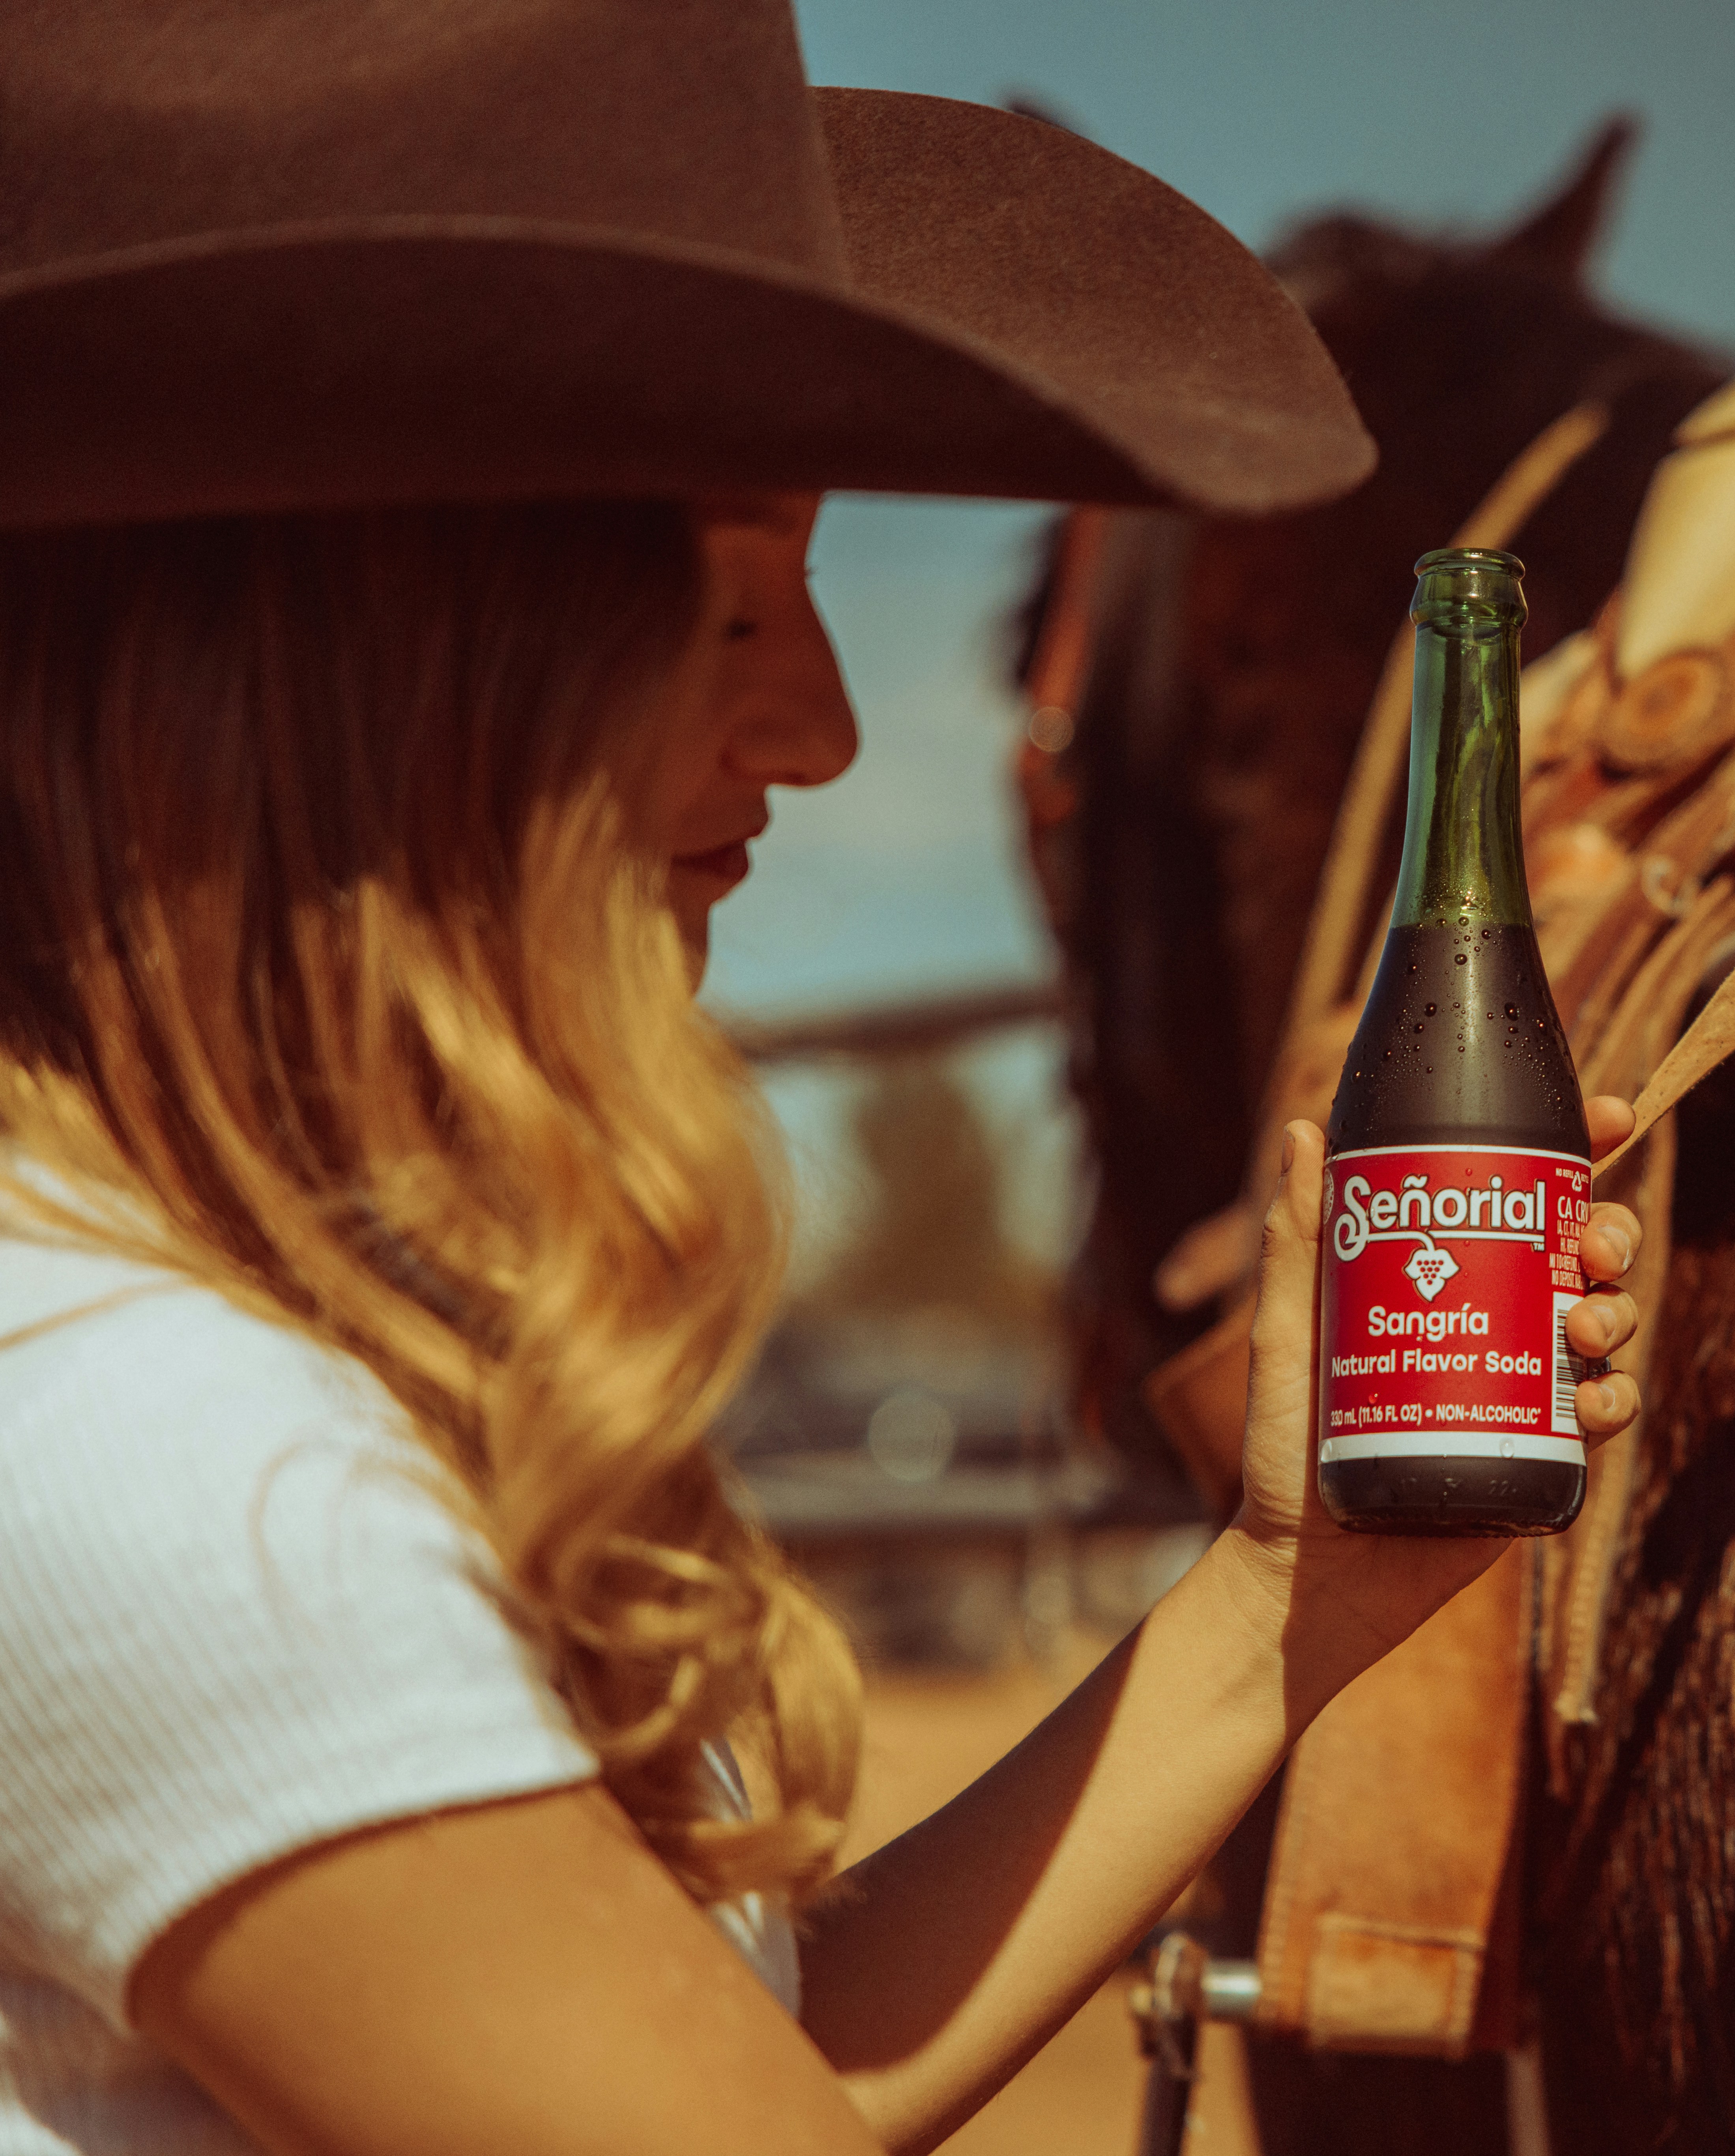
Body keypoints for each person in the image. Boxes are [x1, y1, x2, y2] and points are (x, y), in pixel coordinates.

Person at [0, 7, 1645, 2153]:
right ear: (401, 639)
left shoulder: (191, 1340)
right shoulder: (172, 1466)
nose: (830, 727)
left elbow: (724, 2065)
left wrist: (1281, 1594)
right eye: (736, 592)